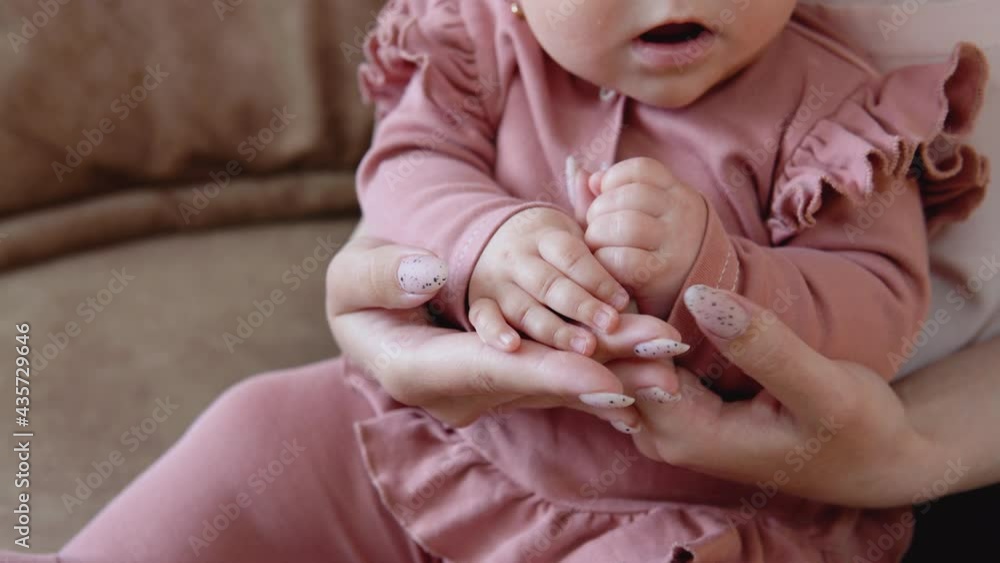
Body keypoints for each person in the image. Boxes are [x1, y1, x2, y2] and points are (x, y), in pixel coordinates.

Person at [352, 0, 988, 559]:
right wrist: (480, 239)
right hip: (452, 444)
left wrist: (714, 272)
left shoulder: (832, 109)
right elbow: (409, 164)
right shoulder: (478, 39)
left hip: (687, 512)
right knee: (257, 426)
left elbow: (878, 310)